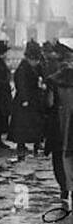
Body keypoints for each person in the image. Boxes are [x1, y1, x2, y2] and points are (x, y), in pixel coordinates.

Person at [8, 40, 45, 160]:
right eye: (35, 60)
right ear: (30, 59)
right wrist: (24, 99)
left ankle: (34, 142)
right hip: (24, 101)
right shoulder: (23, 68)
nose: (36, 62)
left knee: (33, 123)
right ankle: (21, 145)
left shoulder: (33, 67)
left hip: (33, 99)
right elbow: (21, 84)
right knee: (22, 125)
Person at [46, 42, 73, 211]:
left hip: (59, 126)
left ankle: (64, 190)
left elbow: (48, 104)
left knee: (59, 157)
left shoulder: (53, 81)